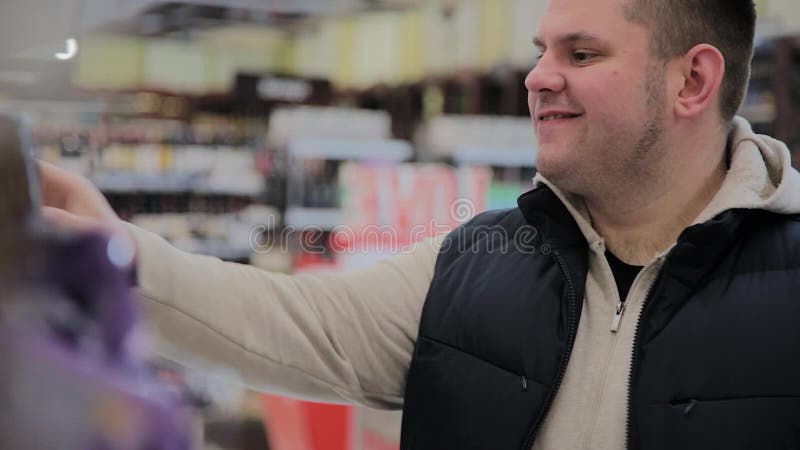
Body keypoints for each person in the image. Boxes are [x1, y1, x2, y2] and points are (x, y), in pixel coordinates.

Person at [38, 0, 800, 448]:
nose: (538, 76)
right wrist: (110, 251)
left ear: (692, 80)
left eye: (582, 52)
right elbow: (298, 325)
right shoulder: (479, 258)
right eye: (542, 51)